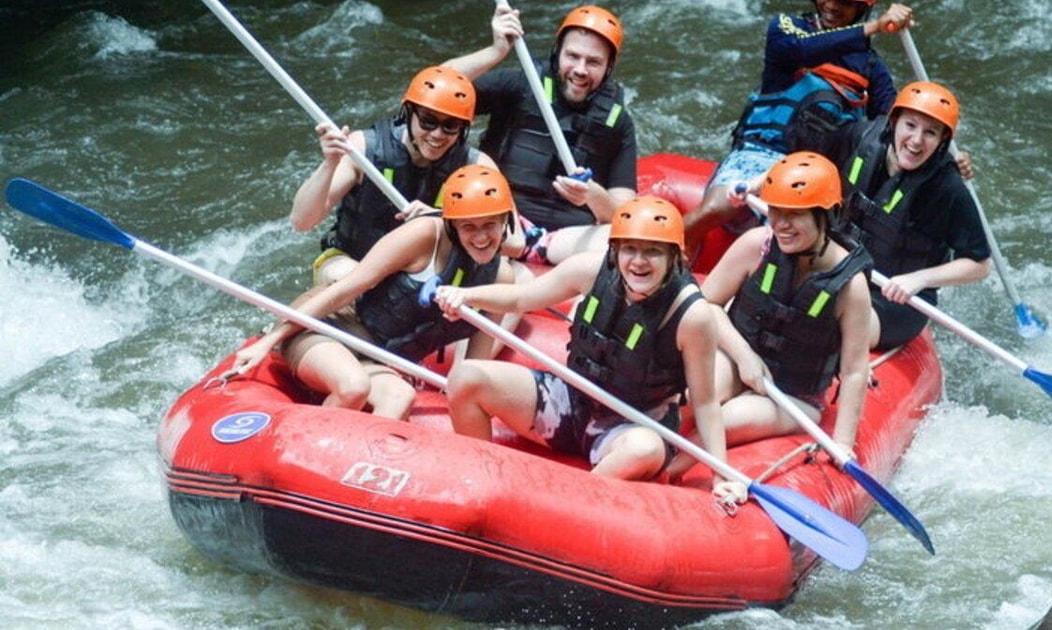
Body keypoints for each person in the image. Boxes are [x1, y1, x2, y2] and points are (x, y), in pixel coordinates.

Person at [432, 196, 746, 504]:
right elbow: (520, 299)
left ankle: (565, 504)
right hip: (570, 402)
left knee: (644, 449)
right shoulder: (590, 269)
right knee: (466, 377)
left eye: (653, 252)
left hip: (631, 424)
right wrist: (466, 295)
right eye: (630, 249)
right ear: (615, 251)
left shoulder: (692, 315)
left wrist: (721, 475)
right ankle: (481, 485)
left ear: (675, 258)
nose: (639, 261)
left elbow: (704, 403)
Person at [232, 165, 519, 420]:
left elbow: (475, 362)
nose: (481, 237)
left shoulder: (501, 279)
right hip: (327, 329)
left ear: (506, 221)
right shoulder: (423, 236)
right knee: (353, 387)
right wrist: (271, 339)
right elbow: (347, 288)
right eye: (469, 227)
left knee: (399, 398)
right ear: (452, 225)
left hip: (376, 357)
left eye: (490, 225)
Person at [671, 152, 872, 474]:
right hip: (739, 363)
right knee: (693, 393)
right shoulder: (757, 246)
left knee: (725, 418)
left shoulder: (851, 286)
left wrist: (843, 444)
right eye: (776, 211)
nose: (781, 224)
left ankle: (666, 473)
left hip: (794, 397)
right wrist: (744, 356)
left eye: (794, 214)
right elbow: (705, 304)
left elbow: (854, 372)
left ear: (825, 216)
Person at [683, 0, 913, 261]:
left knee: (793, 251)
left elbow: (894, 124)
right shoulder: (787, 28)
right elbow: (801, 47)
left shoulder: (870, 66)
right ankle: (674, 266)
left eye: (846, 2)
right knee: (714, 208)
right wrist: (874, 27)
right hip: (762, 152)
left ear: (861, 8)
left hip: (816, 173)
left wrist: (944, 153)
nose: (832, 5)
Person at [443, 4, 638, 265]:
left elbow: (623, 216)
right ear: (557, 53)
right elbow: (437, 88)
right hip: (497, 225)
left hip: (563, 242)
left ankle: (544, 262)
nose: (580, 69)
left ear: (608, 67)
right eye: (573, 56)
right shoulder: (520, 85)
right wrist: (496, 51)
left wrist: (592, 194)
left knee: (630, 240)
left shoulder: (619, 123)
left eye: (593, 62)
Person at [289, 65, 518, 285]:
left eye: (450, 126)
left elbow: (516, 243)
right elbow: (302, 221)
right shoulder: (363, 149)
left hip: (428, 272)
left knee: (514, 276)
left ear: (463, 129)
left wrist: (444, 220)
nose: (437, 134)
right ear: (409, 113)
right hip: (352, 263)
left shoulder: (476, 166)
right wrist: (329, 165)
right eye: (428, 121)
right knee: (352, 276)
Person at [826, 80, 991, 350]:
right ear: (894, 122)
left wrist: (919, 279)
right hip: (842, 269)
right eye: (910, 125)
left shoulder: (947, 188)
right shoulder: (859, 138)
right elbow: (808, 163)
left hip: (895, 299)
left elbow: (980, 265)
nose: (916, 140)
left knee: (833, 330)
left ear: (941, 142)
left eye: (931, 133)